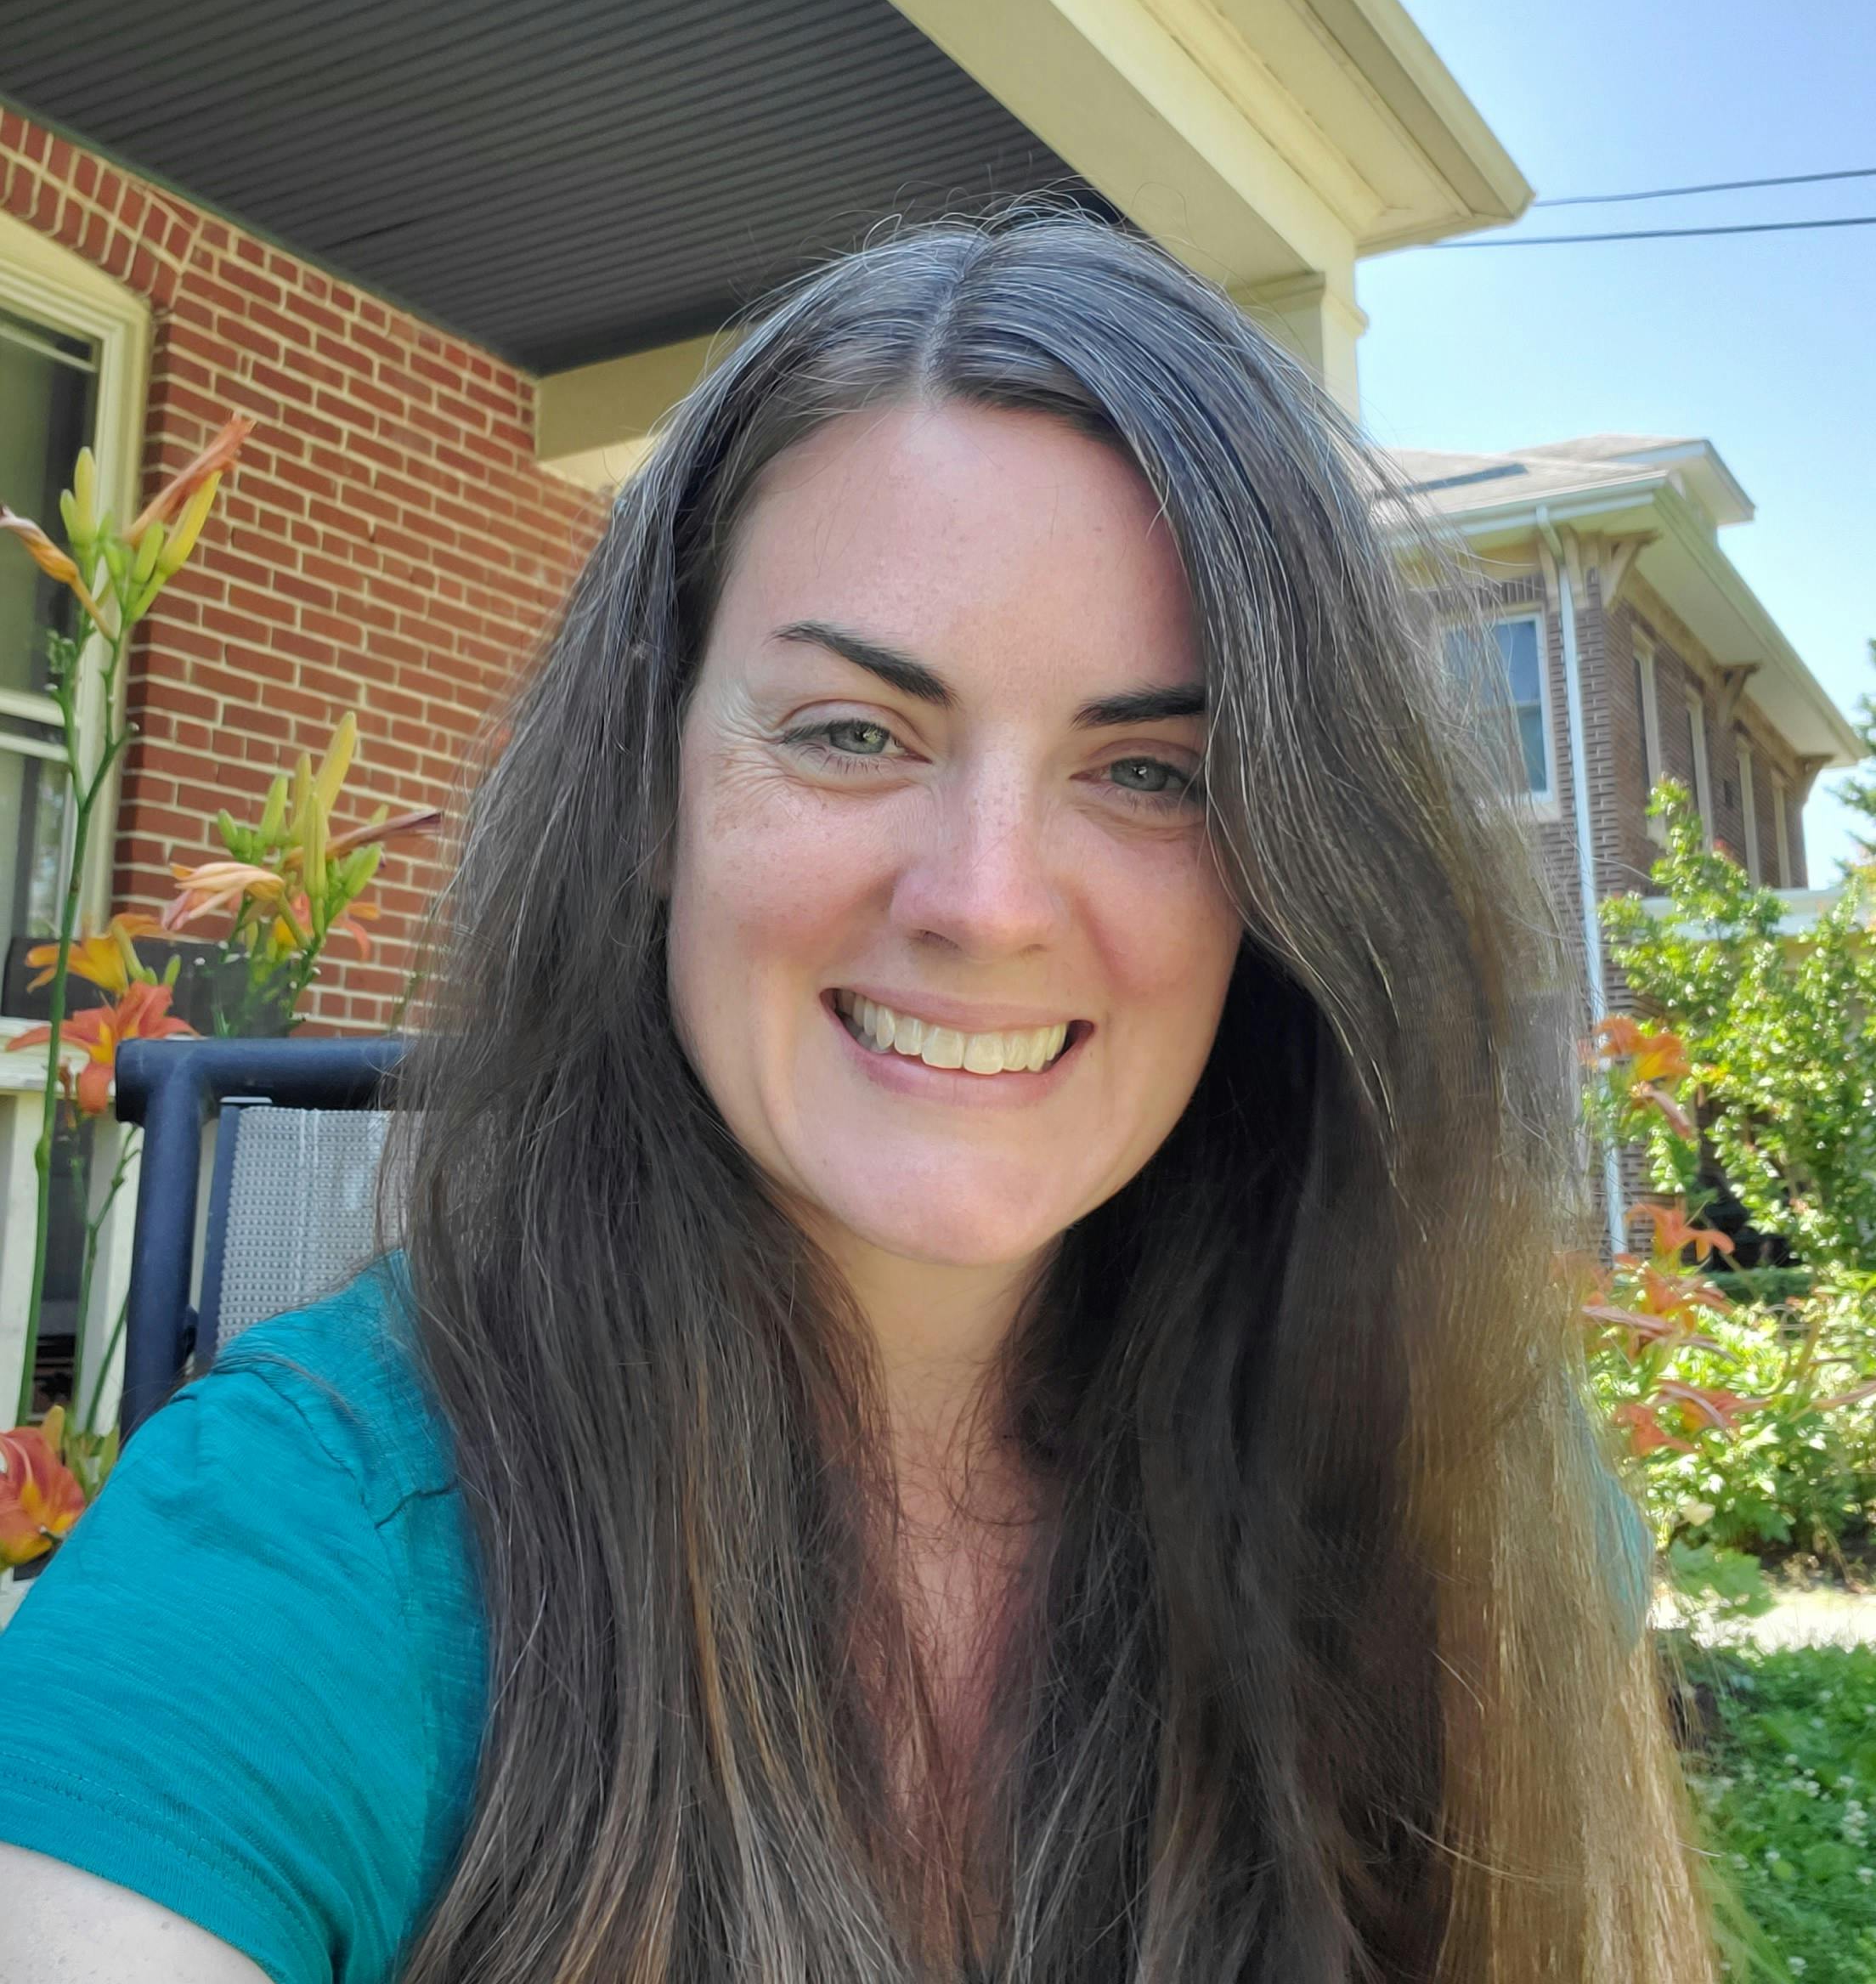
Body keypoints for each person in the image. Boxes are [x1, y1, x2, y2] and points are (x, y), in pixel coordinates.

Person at [0, 212, 1704, 1983]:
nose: (985, 899)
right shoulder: (312, 1549)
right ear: (651, 786)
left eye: (1150, 770)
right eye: (850, 732)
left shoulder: (1463, 1490)